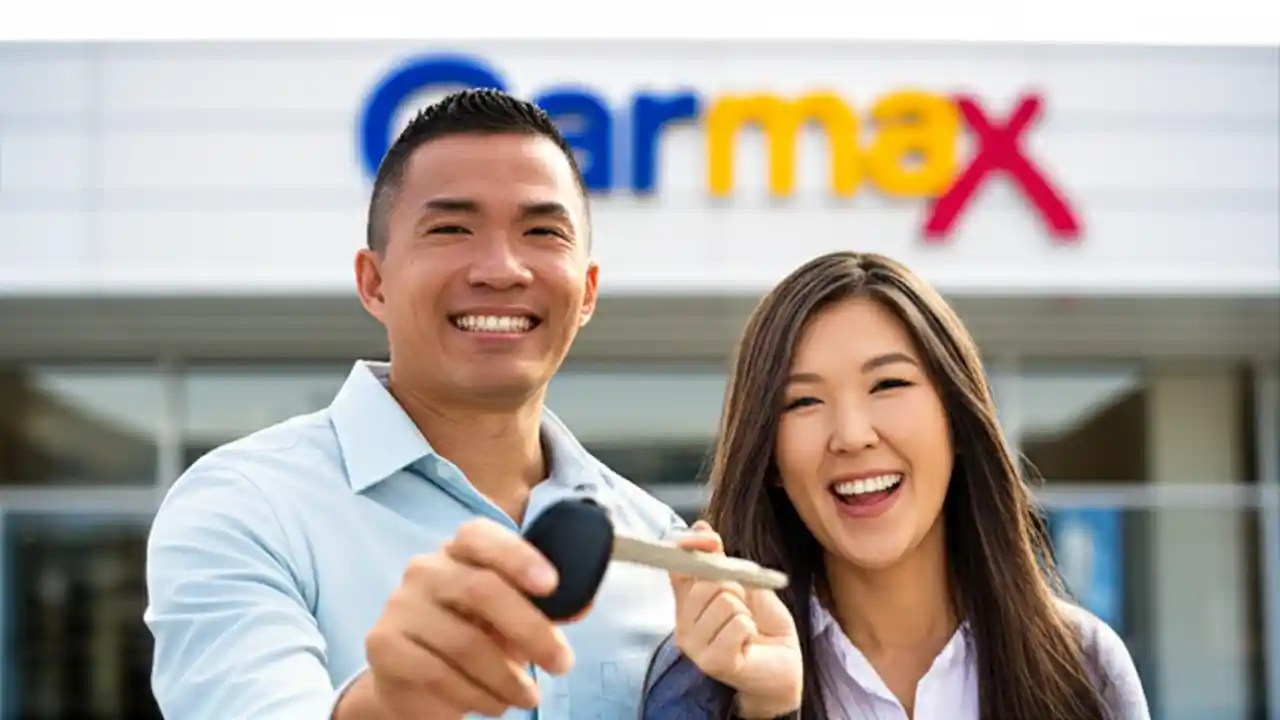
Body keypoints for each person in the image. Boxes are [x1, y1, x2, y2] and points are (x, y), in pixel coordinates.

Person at [144, 88, 687, 720]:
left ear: (588, 291)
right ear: (373, 282)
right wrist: (382, 707)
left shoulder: (658, 545)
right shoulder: (244, 508)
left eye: (542, 231)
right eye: (452, 228)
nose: (502, 269)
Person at [641, 251, 1151, 719]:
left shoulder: (1083, 666)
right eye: (803, 402)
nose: (852, 436)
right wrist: (769, 709)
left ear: (956, 419)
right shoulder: (702, 677)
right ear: (769, 457)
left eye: (888, 385)